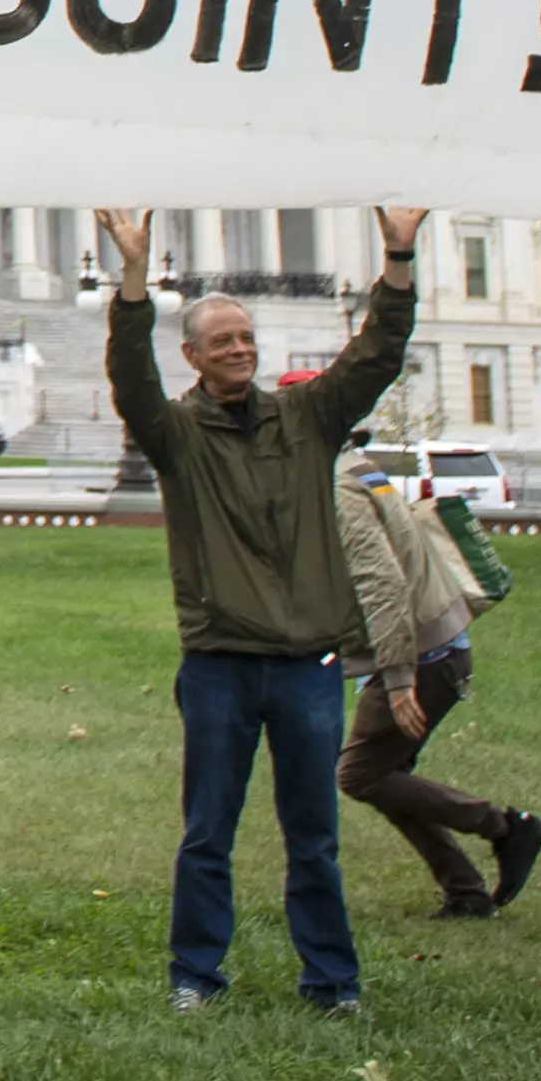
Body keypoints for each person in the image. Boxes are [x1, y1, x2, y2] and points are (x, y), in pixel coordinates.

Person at [103, 202, 421, 1014]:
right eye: (222, 342)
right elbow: (128, 373)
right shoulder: (175, 435)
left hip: (309, 664)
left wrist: (396, 253)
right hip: (219, 664)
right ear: (194, 358)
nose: (239, 349)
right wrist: (133, 274)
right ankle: (193, 976)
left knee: (313, 835)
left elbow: (376, 354)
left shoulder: (307, 417)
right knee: (207, 833)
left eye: (246, 338)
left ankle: (332, 981)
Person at [331, 438, 541, 922]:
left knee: (361, 774)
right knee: (386, 777)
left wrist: (398, 674)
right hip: (435, 645)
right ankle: (466, 892)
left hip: (418, 654)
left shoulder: (338, 487)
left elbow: (381, 581)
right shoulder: (361, 470)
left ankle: (505, 827)